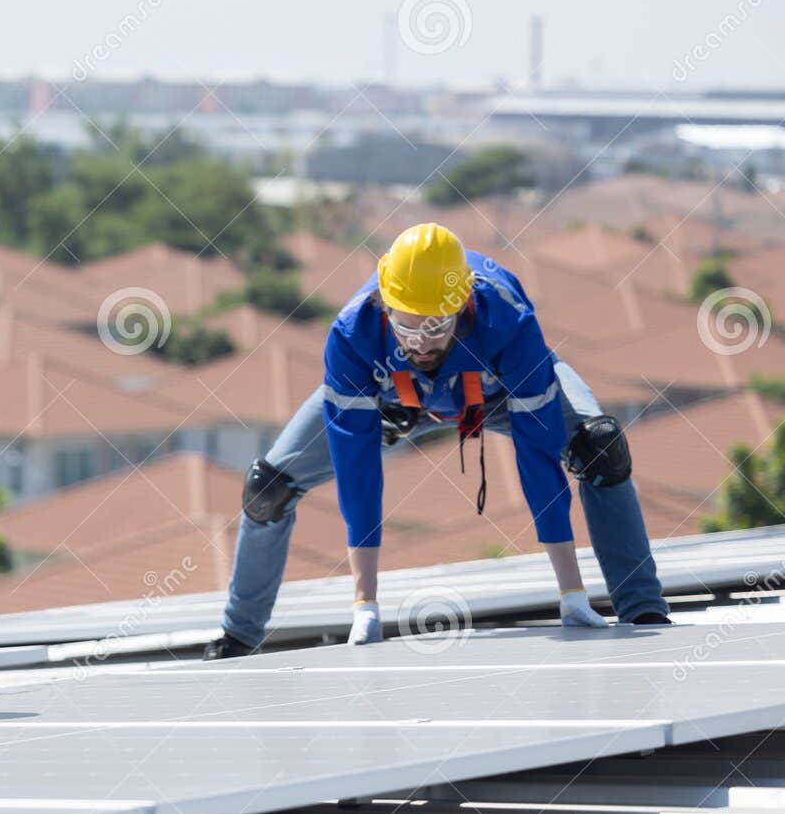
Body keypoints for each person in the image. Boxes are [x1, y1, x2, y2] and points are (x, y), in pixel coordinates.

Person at [204, 223, 670, 659]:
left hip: (499, 394)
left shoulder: (509, 322)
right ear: (384, 306)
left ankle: (642, 607)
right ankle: (238, 636)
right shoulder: (352, 333)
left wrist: (571, 592)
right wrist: (365, 603)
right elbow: (356, 469)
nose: (421, 343)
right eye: (406, 327)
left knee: (601, 449)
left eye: (437, 327)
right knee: (269, 489)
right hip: (392, 401)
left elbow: (538, 452)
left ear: (464, 306)